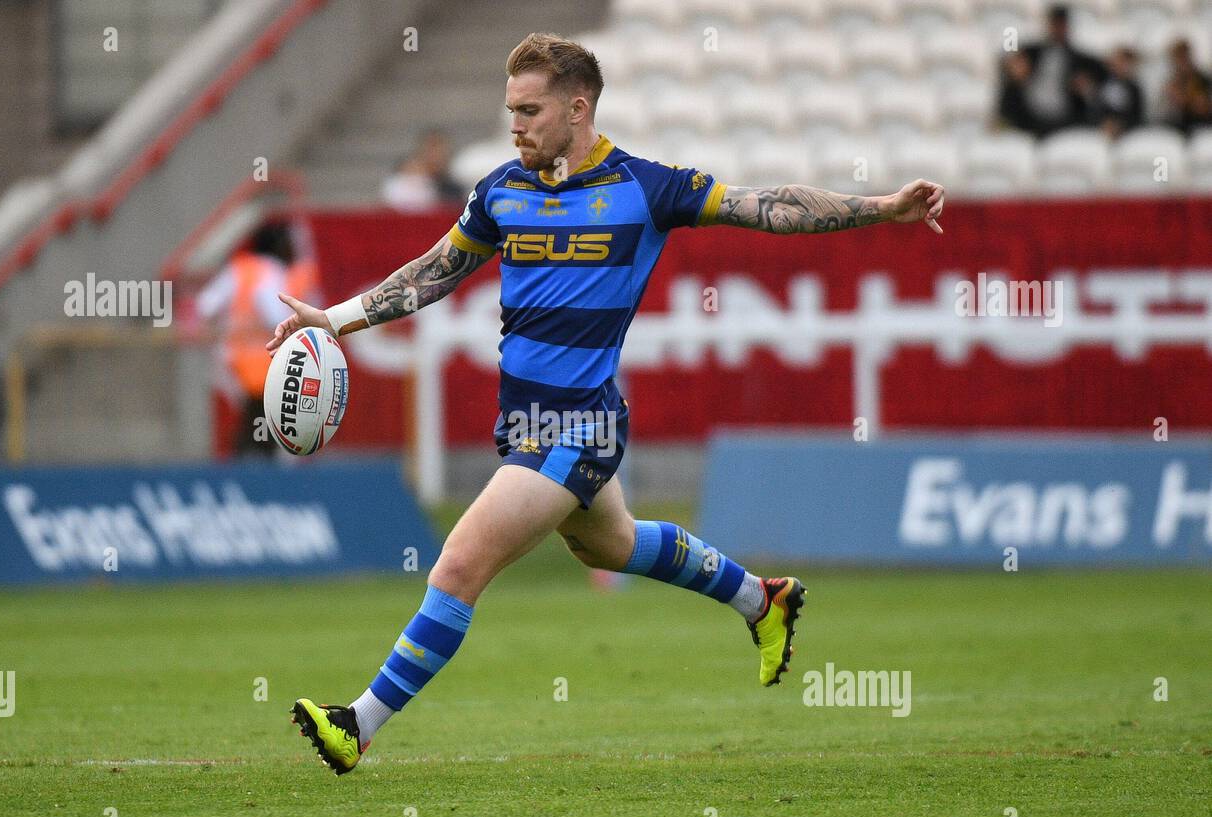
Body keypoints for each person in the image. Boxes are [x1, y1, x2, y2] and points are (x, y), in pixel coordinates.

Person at [269, 33, 944, 775]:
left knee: (458, 566)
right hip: (523, 423)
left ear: (578, 109)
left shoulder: (646, 188)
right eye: (510, 111)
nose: (516, 125)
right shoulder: (501, 190)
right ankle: (764, 600)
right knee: (610, 545)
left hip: (578, 426)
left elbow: (765, 207)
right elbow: (436, 271)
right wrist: (334, 319)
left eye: (529, 111)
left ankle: (357, 725)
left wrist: (881, 208)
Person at [197, 221, 296, 457]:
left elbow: (205, 306)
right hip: (263, 363)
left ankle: (247, 463)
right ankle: (257, 472)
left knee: (253, 421)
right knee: (265, 420)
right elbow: (274, 311)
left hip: (232, 361)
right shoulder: (272, 270)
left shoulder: (237, 268)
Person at [997, 4, 1105, 137]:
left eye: (1061, 25)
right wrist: (1015, 67)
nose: (1057, 29)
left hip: (1065, 118)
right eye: (1054, 24)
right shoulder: (1031, 51)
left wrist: (1086, 86)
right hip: (1029, 115)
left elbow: (1102, 80)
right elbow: (1008, 46)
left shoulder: (1083, 60)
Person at [381, 129, 465, 210]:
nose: (436, 155)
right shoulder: (403, 183)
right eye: (432, 148)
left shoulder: (453, 189)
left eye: (440, 150)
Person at [1161, 39, 1212, 135]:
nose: (1181, 62)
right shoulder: (1174, 80)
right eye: (1178, 58)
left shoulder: (1201, 78)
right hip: (1178, 125)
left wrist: (1184, 97)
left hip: (1201, 126)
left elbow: (1201, 107)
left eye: (1183, 57)